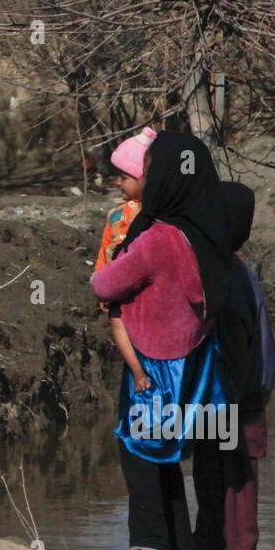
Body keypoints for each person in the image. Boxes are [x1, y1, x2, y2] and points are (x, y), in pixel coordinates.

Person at [92, 131, 235, 550]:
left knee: (140, 451)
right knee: (169, 451)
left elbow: (104, 282)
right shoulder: (209, 231)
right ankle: (183, 544)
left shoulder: (157, 238)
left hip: (150, 363)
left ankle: (149, 546)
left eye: (149, 172)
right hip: (196, 364)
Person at [191, 181, 275, 550]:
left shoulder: (232, 275)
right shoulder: (228, 268)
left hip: (239, 392)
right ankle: (208, 549)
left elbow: (240, 341)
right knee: (211, 467)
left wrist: (231, 392)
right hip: (223, 389)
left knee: (238, 474)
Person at [94, 127, 156, 397]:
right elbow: (104, 251)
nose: (118, 183)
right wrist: (101, 283)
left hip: (146, 292)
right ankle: (136, 371)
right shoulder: (115, 215)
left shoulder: (156, 213)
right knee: (118, 320)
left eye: (124, 177)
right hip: (120, 287)